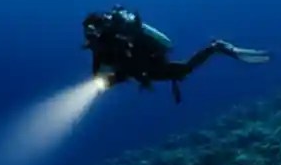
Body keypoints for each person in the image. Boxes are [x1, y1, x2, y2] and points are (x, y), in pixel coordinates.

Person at [82, 6, 270, 103]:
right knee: (184, 70)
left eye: (92, 32)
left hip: (150, 62)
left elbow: (129, 57)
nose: (90, 37)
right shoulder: (101, 49)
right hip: (145, 70)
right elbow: (102, 75)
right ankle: (216, 48)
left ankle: (217, 46)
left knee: (184, 70)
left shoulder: (117, 35)